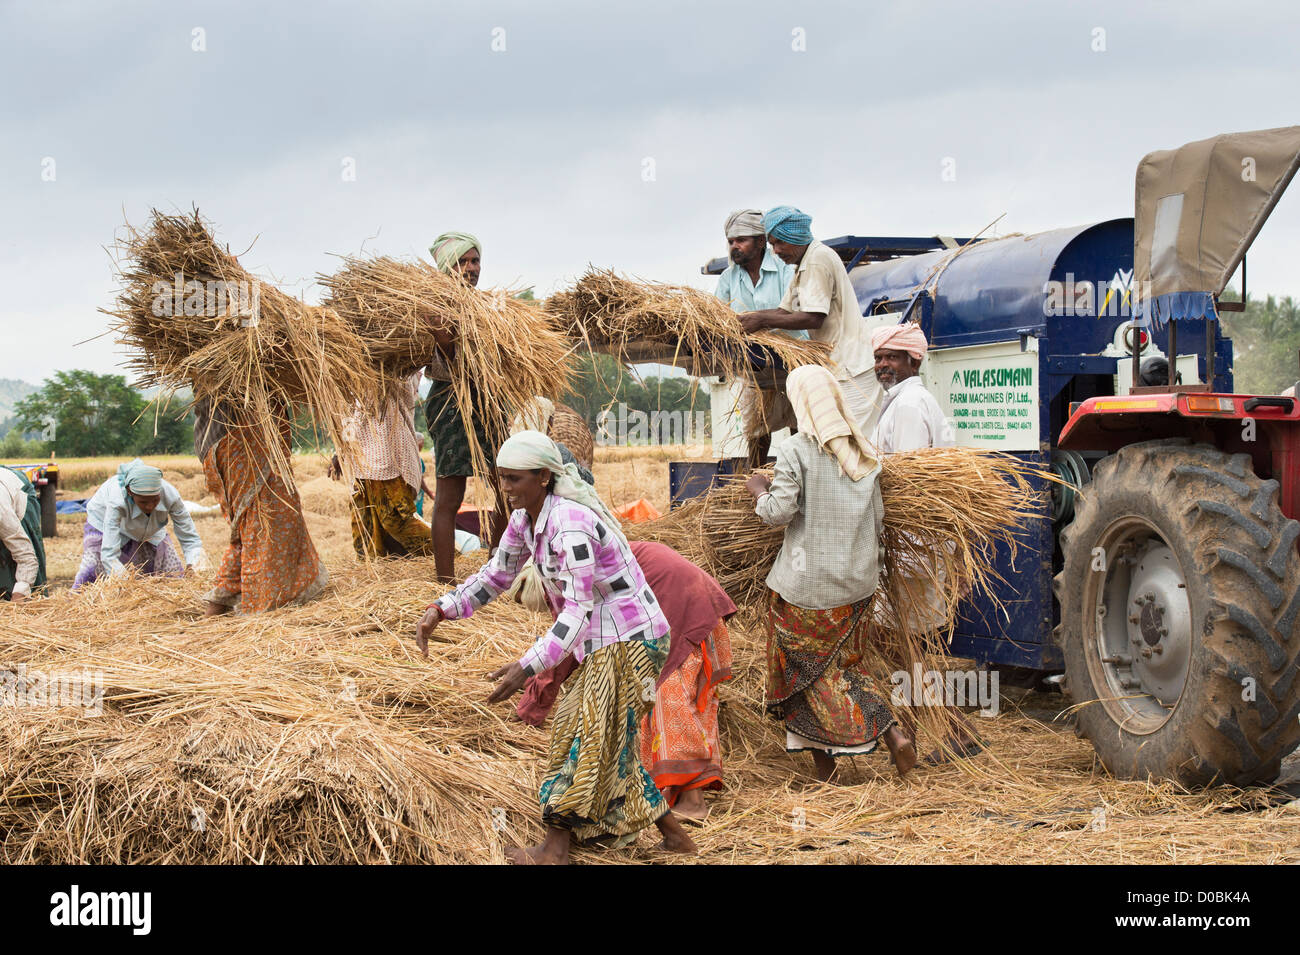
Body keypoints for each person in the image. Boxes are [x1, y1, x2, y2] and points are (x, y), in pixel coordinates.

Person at [413, 431, 698, 864]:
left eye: (514, 479)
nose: (505, 488)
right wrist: (442, 607)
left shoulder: (570, 523)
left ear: (544, 477)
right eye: (502, 478)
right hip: (602, 641)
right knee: (601, 737)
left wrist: (526, 666)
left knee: (581, 736)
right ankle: (675, 837)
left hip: (630, 639)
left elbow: (578, 610)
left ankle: (555, 848)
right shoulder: (526, 520)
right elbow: (497, 574)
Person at [746, 365, 916, 782]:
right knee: (845, 667)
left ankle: (828, 767)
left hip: (807, 592)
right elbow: (876, 522)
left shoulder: (795, 451)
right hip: (857, 588)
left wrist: (758, 491)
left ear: (801, 403)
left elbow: (778, 513)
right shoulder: (865, 453)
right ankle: (891, 734)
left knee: (801, 670)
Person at [512, 539, 736, 824]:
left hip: (681, 607)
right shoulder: (580, 562)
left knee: (663, 699)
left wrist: (530, 709)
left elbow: (566, 650)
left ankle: (693, 802)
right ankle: (681, 795)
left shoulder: (576, 580)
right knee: (676, 700)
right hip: (695, 601)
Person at [868, 323, 979, 763]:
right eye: (879, 358)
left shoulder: (910, 405)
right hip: (911, 550)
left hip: (911, 550)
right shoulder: (901, 402)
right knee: (906, 645)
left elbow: (910, 485)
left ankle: (953, 730)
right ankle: (920, 734)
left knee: (903, 645)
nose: (882, 365)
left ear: (914, 361)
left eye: (892, 357)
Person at [739, 206, 882, 436]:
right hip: (837, 367)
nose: (775, 251)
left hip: (851, 369)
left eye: (779, 243)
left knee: (854, 444)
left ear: (793, 237)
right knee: (837, 443)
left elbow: (814, 318)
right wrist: (746, 319)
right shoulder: (802, 265)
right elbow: (783, 311)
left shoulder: (817, 260)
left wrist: (761, 319)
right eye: (772, 244)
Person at [423, 230, 508, 582]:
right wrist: (447, 341)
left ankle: (499, 568)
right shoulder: (432, 307)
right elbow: (452, 360)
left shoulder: (489, 307)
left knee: (506, 487)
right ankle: (446, 582)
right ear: (447, 266)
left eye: (475, 261)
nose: (471, 268)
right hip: (450, 403)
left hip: (488, 400)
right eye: (463, 261)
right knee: (449, 494)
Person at [195, 398, 329, 616]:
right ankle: (261, 605)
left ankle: (221, 600)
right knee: (265, 522)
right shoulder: (235, 386)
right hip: (238, 435)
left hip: (228, 439)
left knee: (250, 525)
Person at [714, 208, 802, 465]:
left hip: (792, 359)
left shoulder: (786, 270)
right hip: (753, 363)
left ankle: (803, 475)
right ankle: (756, 476)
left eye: (741, 240)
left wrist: (761, 320)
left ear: (761, 241)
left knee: (800, 421)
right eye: (731, 242)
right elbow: (719, 315)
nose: (735, 247)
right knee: (755, 426)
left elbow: (796, 310)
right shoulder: (729, 278)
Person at [337, 373, 435, 559]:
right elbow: (352, 415)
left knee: (396, 520)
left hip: (386, 459)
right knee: (364, 527)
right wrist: (340, 451)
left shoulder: (394, 370)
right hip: (360, 461)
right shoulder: (352, 375)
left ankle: (444, 555)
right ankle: (372, 572)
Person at [73, 459, 206, 590]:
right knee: (93, 570)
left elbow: (190, 538)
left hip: (150, 529)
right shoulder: (117, 500)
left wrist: (194, 565)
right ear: (130, 492)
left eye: (155, 500)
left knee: (171, 573)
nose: (150, 506)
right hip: (103, 524)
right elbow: (109, 554)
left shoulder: (170, 495)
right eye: (143, 502)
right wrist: (127, 583)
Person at [0, 466, 45, 603]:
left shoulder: (2, 513)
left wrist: (20, 594)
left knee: (14, 579)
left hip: (18, 491)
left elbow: (26, 556)